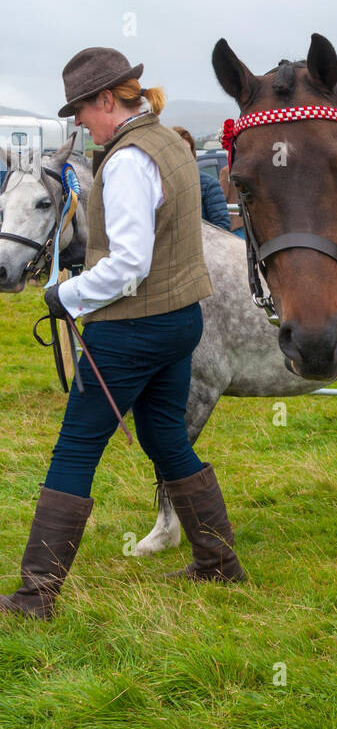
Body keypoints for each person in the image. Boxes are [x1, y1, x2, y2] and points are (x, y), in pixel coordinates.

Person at [1, 47, 244, 621]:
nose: (79, 123)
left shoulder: (129, 160)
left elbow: (129, 264)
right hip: (179, 319)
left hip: (132, 328)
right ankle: (218, 561)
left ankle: (35, 597)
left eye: (82, 111)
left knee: (75, 448)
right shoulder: (167, 143)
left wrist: (65, 295)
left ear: (108, 100)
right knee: (167, 439)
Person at [172, 126, 232, 230]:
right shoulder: (157, 184)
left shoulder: (208, 184)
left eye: (187, 150)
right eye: (178, 150)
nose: (184, 156)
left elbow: (222, 225)